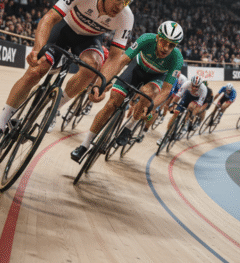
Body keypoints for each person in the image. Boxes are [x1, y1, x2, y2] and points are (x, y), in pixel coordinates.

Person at [0, 0, 139, 150]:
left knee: (93, 66)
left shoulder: (126, 17)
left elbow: (114, 58)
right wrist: (37, 50)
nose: (120, 6)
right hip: (64, 29)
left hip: (89, 40)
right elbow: (49, 18)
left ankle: (53, 109)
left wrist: (100, 83)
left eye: (126, 1)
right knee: (37, 70)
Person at [72, 21, 184, 160]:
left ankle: (130, 127)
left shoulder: (177, 59)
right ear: (157, 37)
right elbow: (122, 60)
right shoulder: (146, 39)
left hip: (156, 78)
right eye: (164, 42)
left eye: (171, 45)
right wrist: (106, 81)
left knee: (148, 95)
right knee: (111, 104)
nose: (166, 48)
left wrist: (151, 106)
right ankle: (84, 145)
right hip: (136, 69)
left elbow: (166, 90)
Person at [157, 74, 207, 145]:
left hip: (196, 100)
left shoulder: (203, 89)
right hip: (187, 96)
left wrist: (192, 114)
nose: (194, 88)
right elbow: (178, 95)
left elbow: (199, 105)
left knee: (191, 107)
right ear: (191, 83)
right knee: (176, 113)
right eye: (193, 85)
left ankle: (186, 123)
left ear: (200, 85)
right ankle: (166, 134)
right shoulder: (186, 84)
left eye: (196, 87)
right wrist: (172, 104)